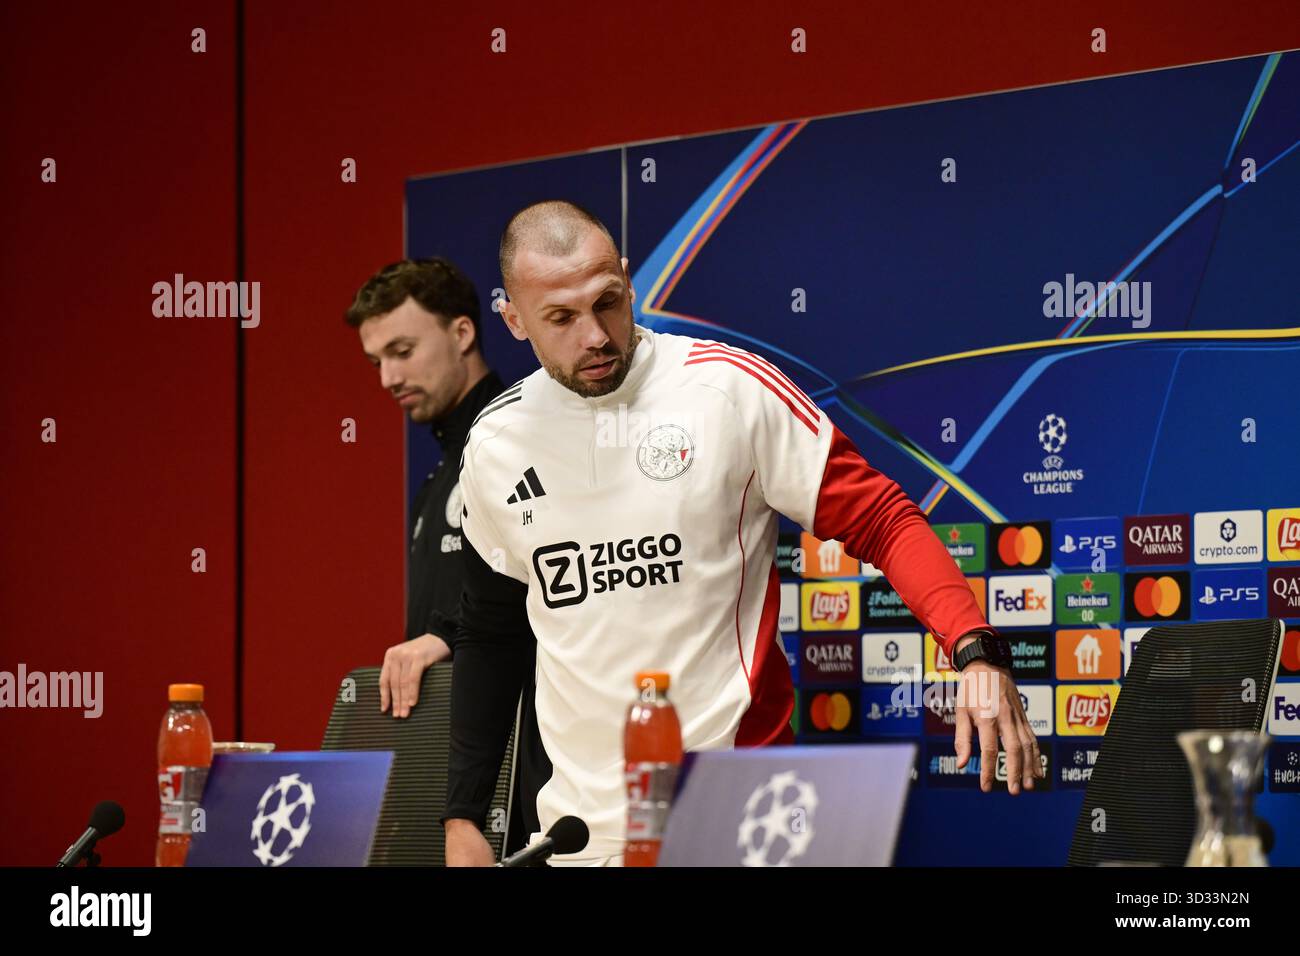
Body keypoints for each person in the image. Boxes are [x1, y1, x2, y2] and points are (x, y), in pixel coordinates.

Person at [442, 201, 1043, 867]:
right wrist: (462, 812)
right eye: (561, 317)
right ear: (515, 321)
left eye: (607, 302)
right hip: (574, 837)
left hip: (737, 821)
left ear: (628, 282)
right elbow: (491, 631)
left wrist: (976, 651)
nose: (596, 335)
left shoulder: (725, 390)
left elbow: (883, 518)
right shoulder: (495, 443)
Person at [346, 258, 506, 718]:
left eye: (403, 351)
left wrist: (449, 634)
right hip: (439, 754)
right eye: (377, 361)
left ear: (462, 334)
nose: (387, 379)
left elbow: (556, 600)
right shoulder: (438, 478)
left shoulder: (525, 444)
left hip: (521, 767)